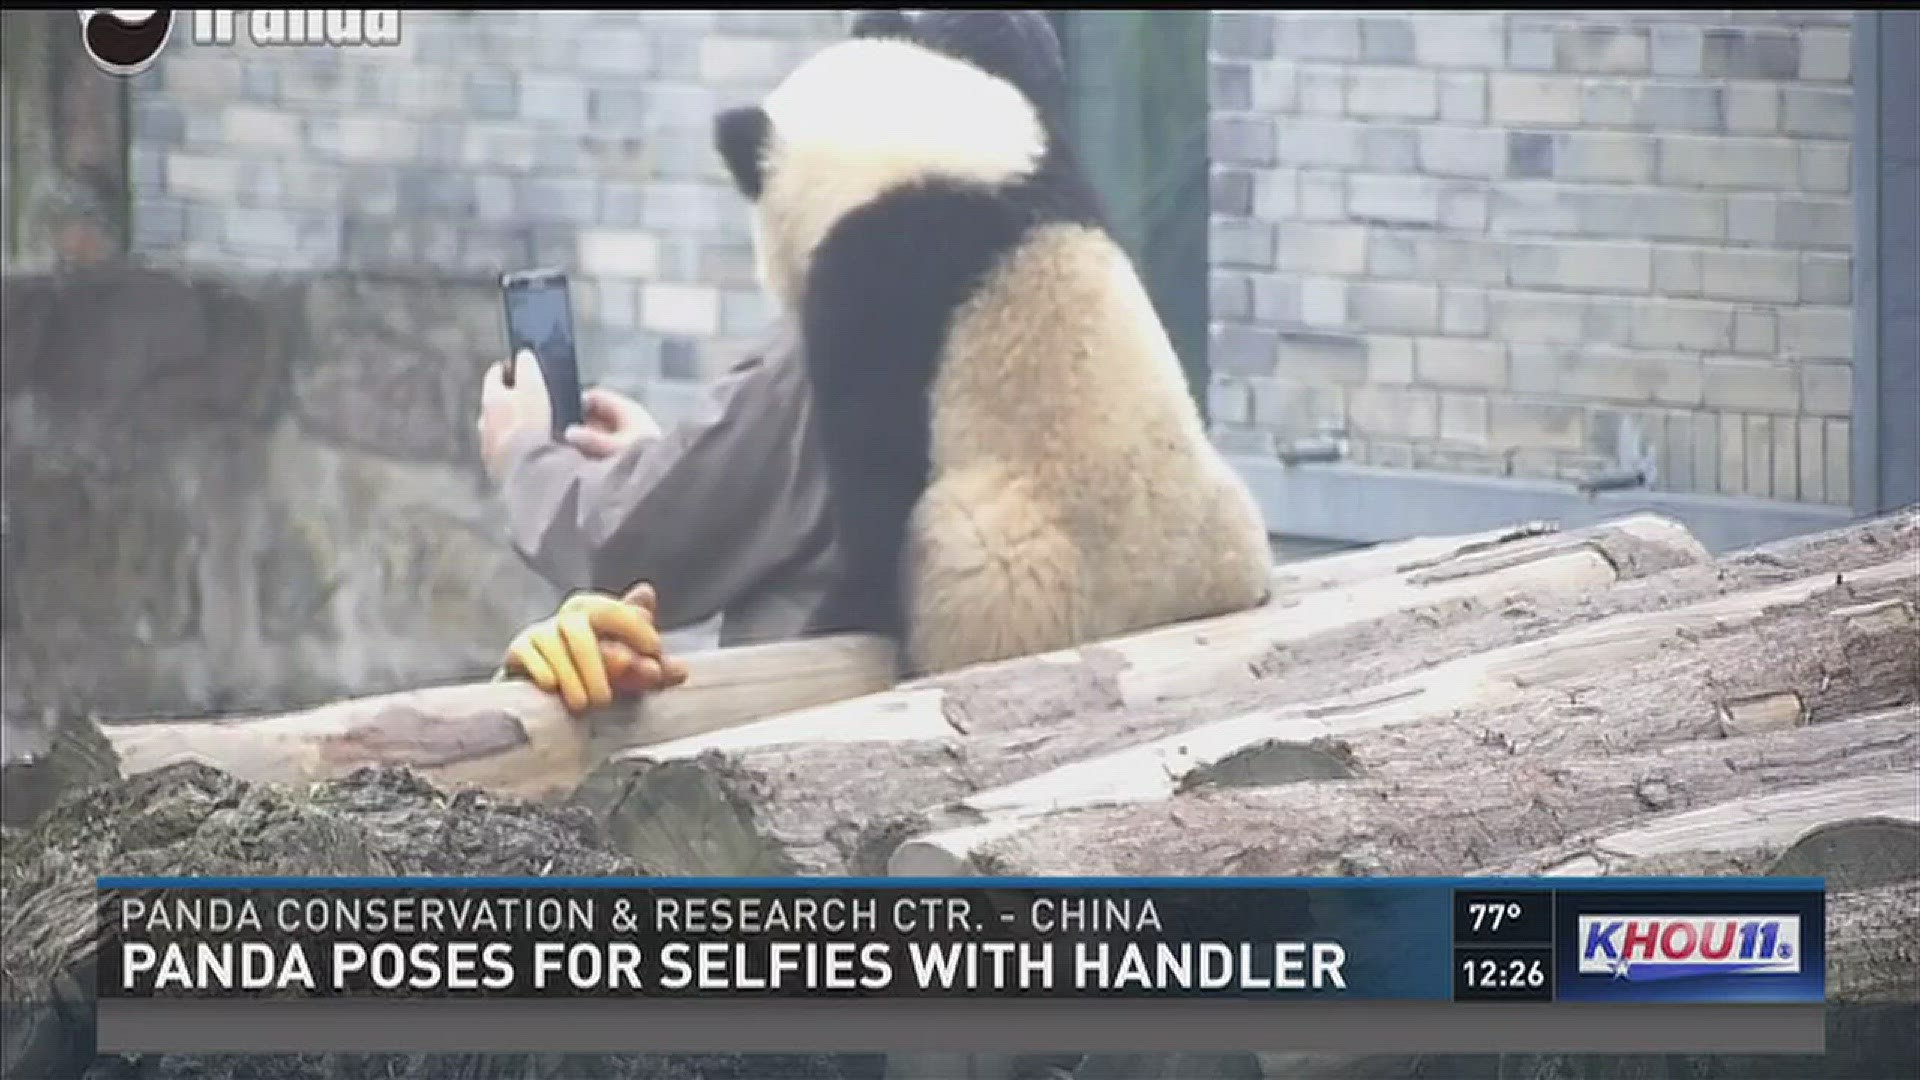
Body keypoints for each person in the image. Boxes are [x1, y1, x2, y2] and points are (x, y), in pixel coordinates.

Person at [477, 10, 1073, 717]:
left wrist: (523, 455)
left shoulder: (869, 321)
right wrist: (666, 455)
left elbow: (633, 545)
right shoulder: (1074, 311)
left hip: (830, 763)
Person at [477, 325, 837, 714]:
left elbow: (631, 552)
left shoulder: (838, 332)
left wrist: (521, 452)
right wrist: (654, 465)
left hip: (809, 731)